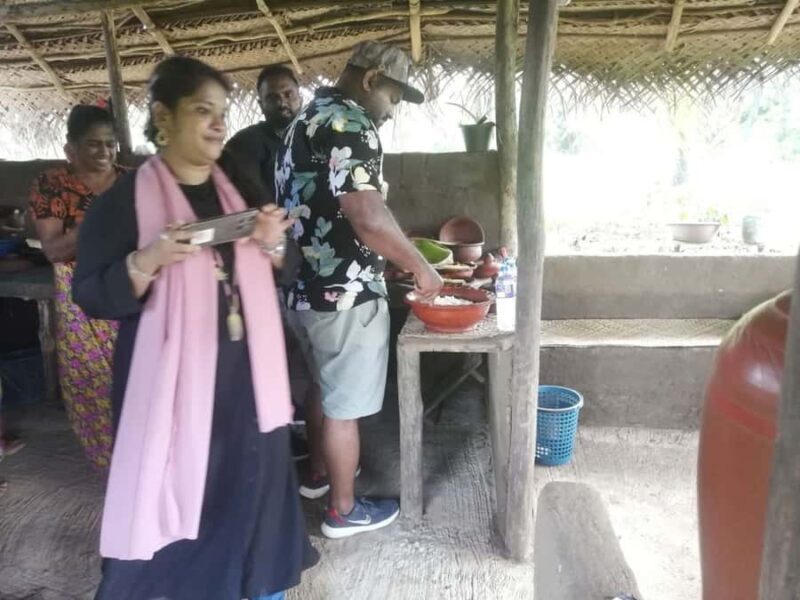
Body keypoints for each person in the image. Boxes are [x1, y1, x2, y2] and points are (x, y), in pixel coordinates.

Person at [72, 55, 317, 600]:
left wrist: (274, 241)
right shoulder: (122, 205)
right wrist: (148, 260)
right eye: (201, 110)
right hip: (174, 391)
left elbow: (287, 265)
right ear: (163, 117)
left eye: (222, 111)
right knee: (181, 507)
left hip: (249, 383)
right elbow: (91, 293)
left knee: (252, 497)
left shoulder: (240, 187)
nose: (217, 123)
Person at [275, 41, 443, 538]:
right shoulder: (351, 123)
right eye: (393, 97)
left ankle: (320, 476)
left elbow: (328, 209)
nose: (391, 112)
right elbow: (366, 213)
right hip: (344, 298)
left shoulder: (301, 122)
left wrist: (383, 255)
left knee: (324, 390)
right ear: (370, 80)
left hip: (302, 289)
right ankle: (343, 511)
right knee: (346, 407)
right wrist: (420, 267)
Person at [224, 64, 314, 462]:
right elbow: (254, 202)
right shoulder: (244, 145)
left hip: (313, 258)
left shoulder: (315, 135)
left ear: (300, 95)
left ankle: (303, 429)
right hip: (269, 261)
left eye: (288, 94)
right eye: (272, 96)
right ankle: (282, 432)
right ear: (259, 103)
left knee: (308, 351)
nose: (282, 102)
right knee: (276, 347)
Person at [29, 104, 122, 470]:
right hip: (81, 298)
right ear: (71, 150)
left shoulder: (132, 181)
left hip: (131, 286)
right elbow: (53, 250)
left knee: (137, 374)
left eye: (110, 144)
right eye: (93, 145)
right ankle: (110, 464)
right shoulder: (52, 184)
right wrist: (99, 225)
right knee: (91, 380)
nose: (104, 152)